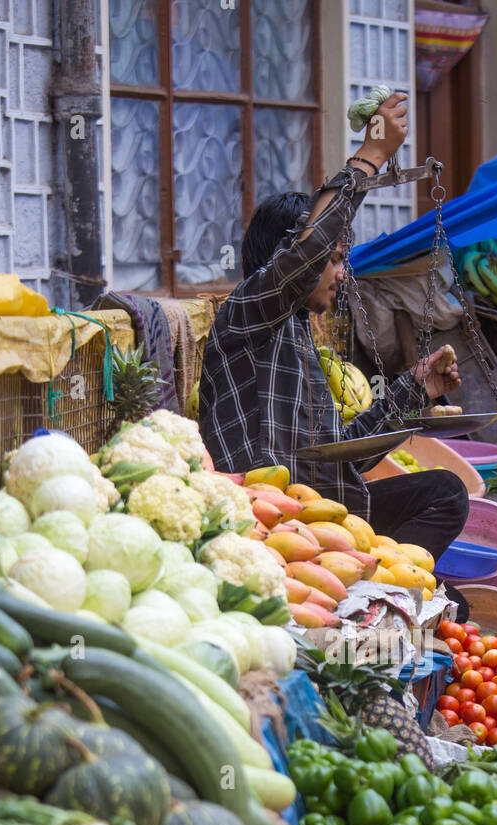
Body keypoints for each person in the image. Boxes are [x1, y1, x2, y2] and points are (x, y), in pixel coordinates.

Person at [199, 94, 469, 562]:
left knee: (444, 491)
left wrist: (415, 390)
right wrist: (370, 158)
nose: (342, 274)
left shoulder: (300, 334)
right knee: (452, 601)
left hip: (319, 512)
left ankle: (388, 587)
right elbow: (305, 255)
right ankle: (377, 592)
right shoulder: (247, 315)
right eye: (336, 260)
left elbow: (341, 457)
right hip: (271, 523)